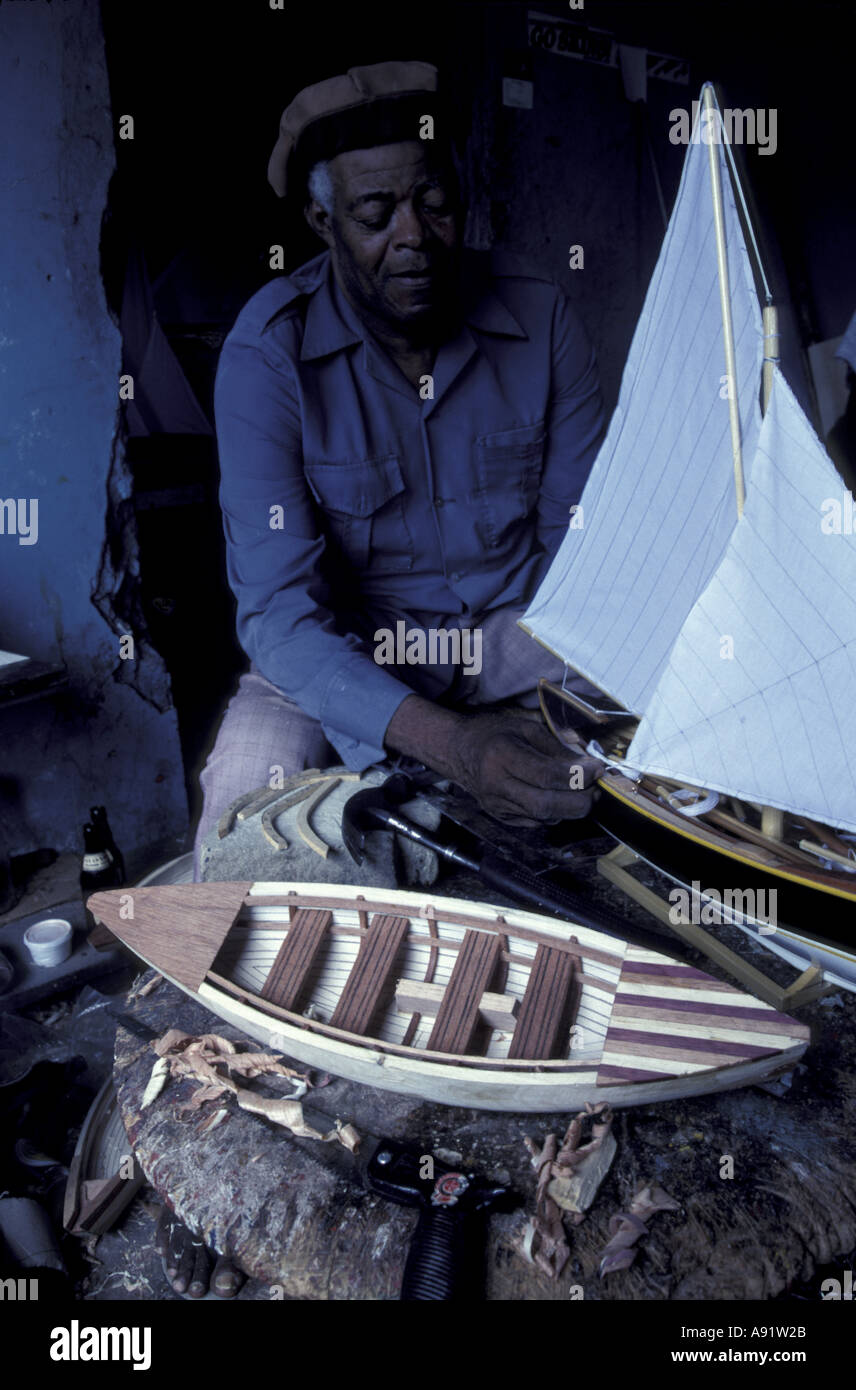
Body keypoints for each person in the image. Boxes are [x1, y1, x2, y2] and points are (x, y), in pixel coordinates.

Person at [171, 59, 605, 1298]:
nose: (413, 234)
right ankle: (239, 1127)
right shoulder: (267, 354)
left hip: (514, 637)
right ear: (322, 225)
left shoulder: (543, 317)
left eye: (433, 201)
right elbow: (278, 618)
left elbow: (587, 562)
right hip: (336, 656)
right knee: (238, 821)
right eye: (374, 213)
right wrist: (449, 741)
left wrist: (553, 704)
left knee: (630, 809)